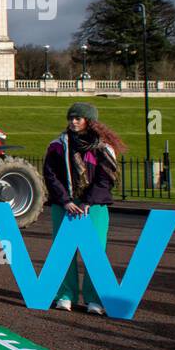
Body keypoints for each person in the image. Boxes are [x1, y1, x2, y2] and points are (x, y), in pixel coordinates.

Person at [43, 101, 125, 315]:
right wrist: (66, 201)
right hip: (65, 205)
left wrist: (88, 201)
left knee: (95, 253)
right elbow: (51, 176)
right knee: (63, 253)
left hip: (94, 206)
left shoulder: (103, 148)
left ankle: (94, 298)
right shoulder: (58, 145)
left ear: (90, 121)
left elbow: (104, 178)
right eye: (71, 118)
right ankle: (65, 294)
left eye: (78, 118)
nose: (73, 122)